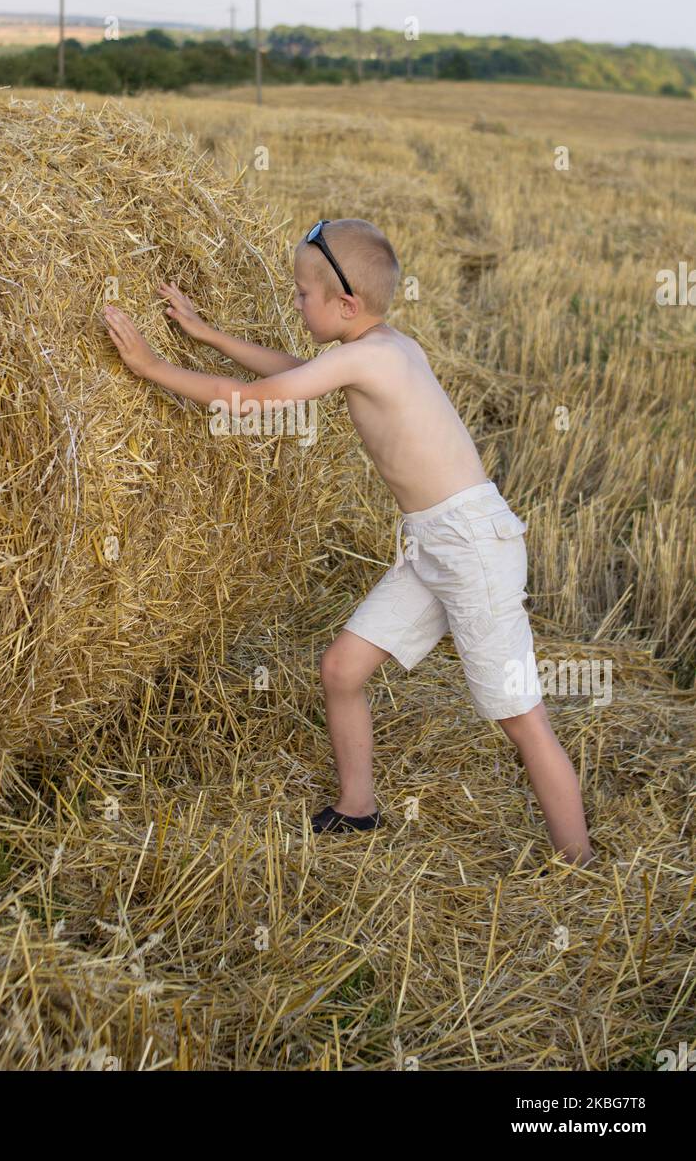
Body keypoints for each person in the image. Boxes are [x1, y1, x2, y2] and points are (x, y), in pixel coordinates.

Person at [104, 218, 594, 867]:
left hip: (471, 546)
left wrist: (151, 366)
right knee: (342, 670)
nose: (297, 304)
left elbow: (254, 400)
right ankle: (357, 807)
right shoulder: (378, 347)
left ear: (347, 305)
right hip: (436, 543)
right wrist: (205, 333)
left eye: (303, 295)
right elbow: (299, 373)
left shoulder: (375, 356)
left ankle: (578, 862)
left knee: (519, 717)